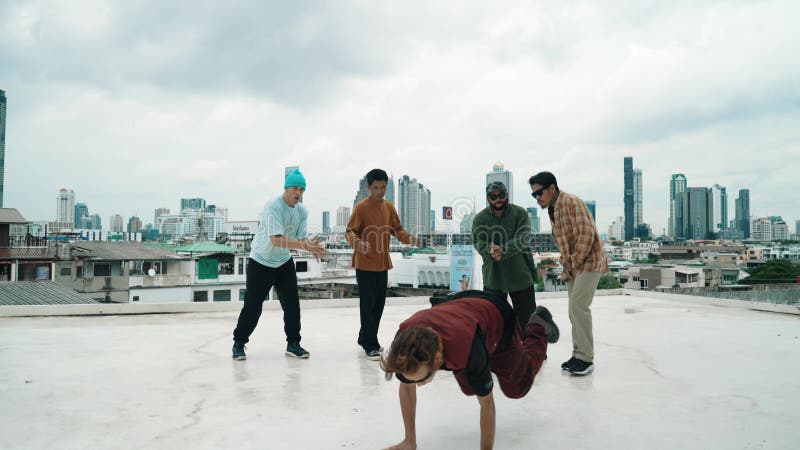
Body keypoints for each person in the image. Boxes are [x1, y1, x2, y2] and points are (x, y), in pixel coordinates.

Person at [380, 290, 559, 450]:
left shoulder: (468, 349)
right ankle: (482, 365)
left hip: (497, 315)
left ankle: (538, 325)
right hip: (462, 306)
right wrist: (409, 441)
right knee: (470, 387)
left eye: (421, 379)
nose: (417, 385)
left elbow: (487, 404)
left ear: (437, 358)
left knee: (517, 387)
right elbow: (406, 387)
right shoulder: (404, 347)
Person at [232, 168, 326, 360]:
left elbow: (299, 239)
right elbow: (276, 239)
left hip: (283, 262)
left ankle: (293, 344)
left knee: (292, 305)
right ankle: (239, 343)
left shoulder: (302, 211)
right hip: (261, 261)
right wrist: (303, 245)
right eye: (295, 189)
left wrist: (310, 245)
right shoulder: (273, 206)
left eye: (302, 190)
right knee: (253, 306)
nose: (298, 194)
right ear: (286, 188)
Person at [529, 171, 608, 376]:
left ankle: (585, 358)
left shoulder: (571, 202)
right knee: (574, 310)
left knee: (578, 306)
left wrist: (572, 262)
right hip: (575, 265)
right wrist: (568, 264)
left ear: (552, 188)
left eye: (539, 193)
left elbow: (586, 234)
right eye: (534, 195)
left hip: (589, 262)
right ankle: (578, 355)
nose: (537, 198)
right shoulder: (553, 209)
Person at [346, 169, 418, 360]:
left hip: (382, 263)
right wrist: (357, 243)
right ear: (369, 187)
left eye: (383, 187)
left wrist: (410, 239)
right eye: (376, 187)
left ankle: (364, 337)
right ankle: (371, 345)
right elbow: (350, 231)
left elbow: (397, 229)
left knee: (378, 306)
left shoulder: (389, 207)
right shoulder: (361, 208)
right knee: (367, 306)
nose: (380, 191)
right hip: (365, 264)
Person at [472, 181, 538, 329]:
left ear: (506, 195)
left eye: (501, 195)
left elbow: (523, 237)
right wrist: (490, 251)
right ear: (488, 198)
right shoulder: (480, 219)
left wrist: (503, 250)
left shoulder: (519, 213)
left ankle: (533, 352)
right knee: (494, 324)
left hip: (520, 275)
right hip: (494, 278)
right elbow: (477, 241)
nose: (498, 199)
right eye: (493, 196)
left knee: (529, 324)